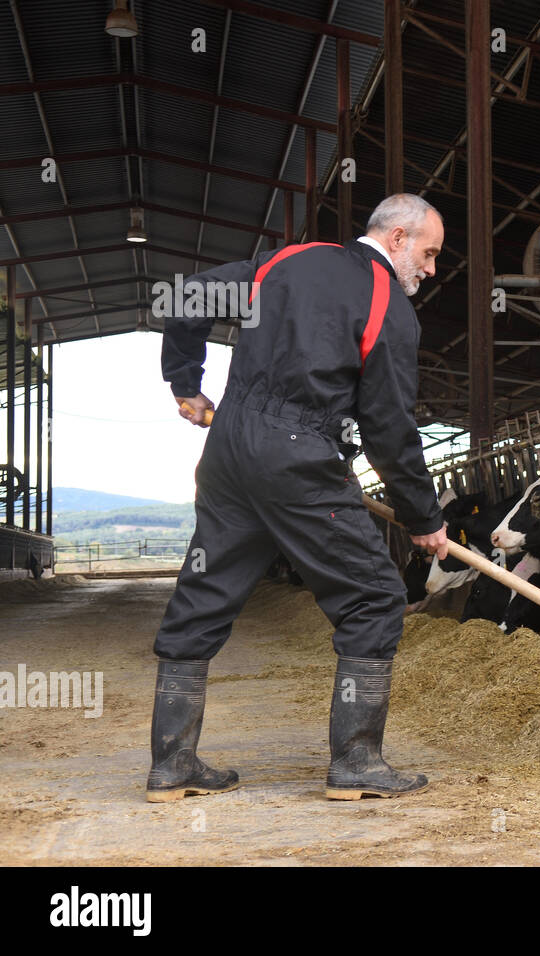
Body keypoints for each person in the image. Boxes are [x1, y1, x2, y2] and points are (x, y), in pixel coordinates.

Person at [149, 194, 450, 803]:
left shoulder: (288, 261)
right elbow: (389, 427)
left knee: (203, 596)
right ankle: (357, 762)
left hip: (230, 451)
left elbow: (185, 297)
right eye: (429, 252)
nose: (432, 268)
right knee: (374, 595)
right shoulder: (387, 304)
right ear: (396, 238)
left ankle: (172, 763)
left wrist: (186, 383)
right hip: (299, 454)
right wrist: (424, 516)